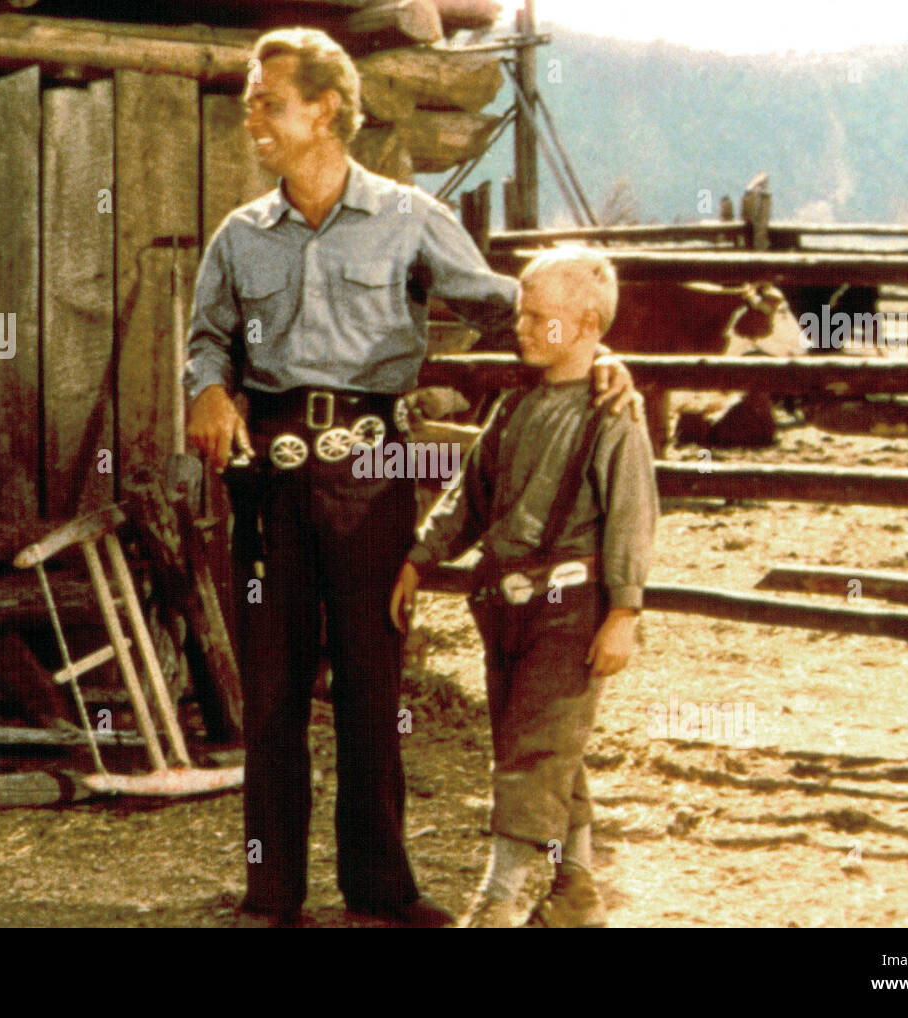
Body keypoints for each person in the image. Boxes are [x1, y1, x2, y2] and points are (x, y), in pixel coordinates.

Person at [185, 28, 637, 928]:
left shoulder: (408, 218)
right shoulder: (241, 237)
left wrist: (595, 351)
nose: (254, 120)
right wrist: (206, 389)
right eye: (250, 104)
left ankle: (379, 889)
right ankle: (271, 896)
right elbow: (210, 337)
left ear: (324, 110)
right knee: (271, 695)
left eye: (268, 102)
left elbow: (501, 302)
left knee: (370, 689)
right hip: (268, 488)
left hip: (372, 478)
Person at [391, 246, 659, 928]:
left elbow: (632, 516)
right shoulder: (513, 408)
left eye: (544, 318)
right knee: (536, 744)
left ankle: (499, 899)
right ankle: (574, 894)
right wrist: (420, 558)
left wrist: (623, 611)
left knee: (537, 748)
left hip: (572, 607)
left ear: (590, 323)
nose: (526, 328)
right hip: (503, 605)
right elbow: (468, 496)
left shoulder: (613, 417)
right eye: (522, 315)